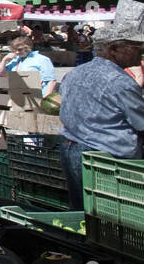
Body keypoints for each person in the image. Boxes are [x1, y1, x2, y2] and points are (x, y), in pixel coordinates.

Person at [58, 25, 144, 210]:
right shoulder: (119, 81)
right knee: (108, 214)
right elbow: (141, 122)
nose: (140, 53)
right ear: (114, 49)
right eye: (136, 48)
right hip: (104, 158)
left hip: (72, 149)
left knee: (82, 212)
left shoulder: (74, 73)